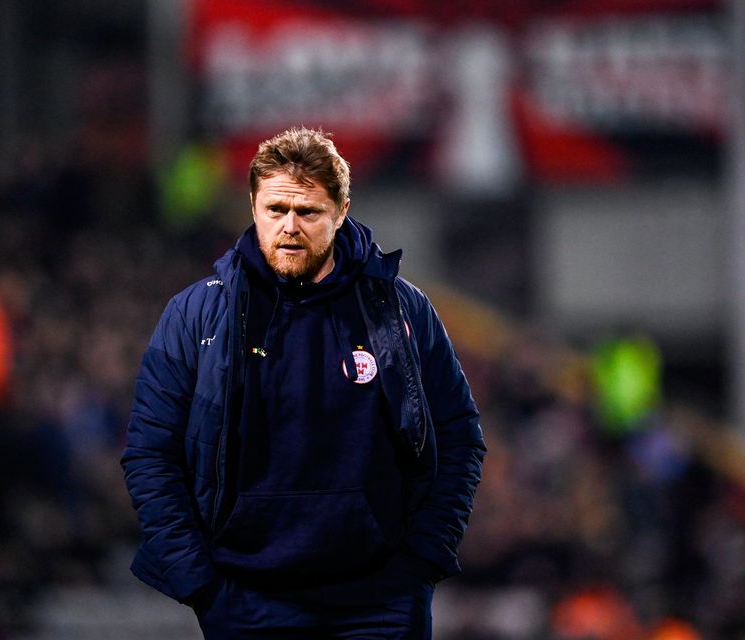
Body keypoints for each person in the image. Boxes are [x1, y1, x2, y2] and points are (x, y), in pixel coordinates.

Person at [122, 127, 486, 639]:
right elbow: (149, 452)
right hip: (246, 599)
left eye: (308, 212)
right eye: (276, 210)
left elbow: (458, 435)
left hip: (380, 600)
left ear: (340, 212)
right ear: (253, 207)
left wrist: (422, 561)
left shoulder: (402, 309)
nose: (289, 226)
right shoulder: (196, 315)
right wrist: (201, 585)